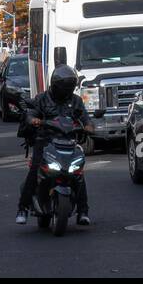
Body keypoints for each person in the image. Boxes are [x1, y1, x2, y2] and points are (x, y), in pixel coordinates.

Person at [16, 65, 92, 227]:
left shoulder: (76, 100)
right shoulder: (42, 99)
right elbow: (31, 114)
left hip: (69, 142)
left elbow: (85, 117)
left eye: (69, 88)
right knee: (34, 170)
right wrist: (33, 120)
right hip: (45, 141)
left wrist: (88, 125)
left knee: (78, 172)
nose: (66, 92)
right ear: (56, 85)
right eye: (64, 88)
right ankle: (22, 208)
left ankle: (83, 211)